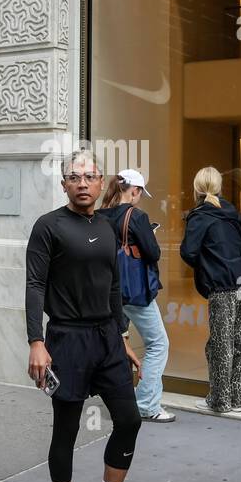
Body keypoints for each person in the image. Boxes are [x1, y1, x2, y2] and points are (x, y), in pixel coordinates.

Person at [26, 149, 146, 482]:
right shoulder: (48, 227)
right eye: (74, 177)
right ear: (64, 184)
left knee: (129, 420)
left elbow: (113, 287)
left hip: (107, 339)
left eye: (89, 176)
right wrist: (36, 342)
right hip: (67, 339)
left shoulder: (109, 227)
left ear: (100, 183)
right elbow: (34, 286)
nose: (82, 183)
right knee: (68, 429)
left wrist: (123, 337)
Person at [97, 168, 174, 423]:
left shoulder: (100, 215)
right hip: (134, 292)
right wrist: (148, 236)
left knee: (118, 346)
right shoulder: (136, 216)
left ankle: (120, 401)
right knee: (158, 344)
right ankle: (146, 404)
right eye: (140, 192)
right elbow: (153, 254)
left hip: (109, 292)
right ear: (135, 191)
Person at [180, 166, 241, 413]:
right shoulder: (232, 212)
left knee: (221, 343)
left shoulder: (200, 215)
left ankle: (219, 401)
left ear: (196, 189)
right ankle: (237, 400)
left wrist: (208, 265)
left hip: (223, 283)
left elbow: (188, 252)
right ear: (219, 187)